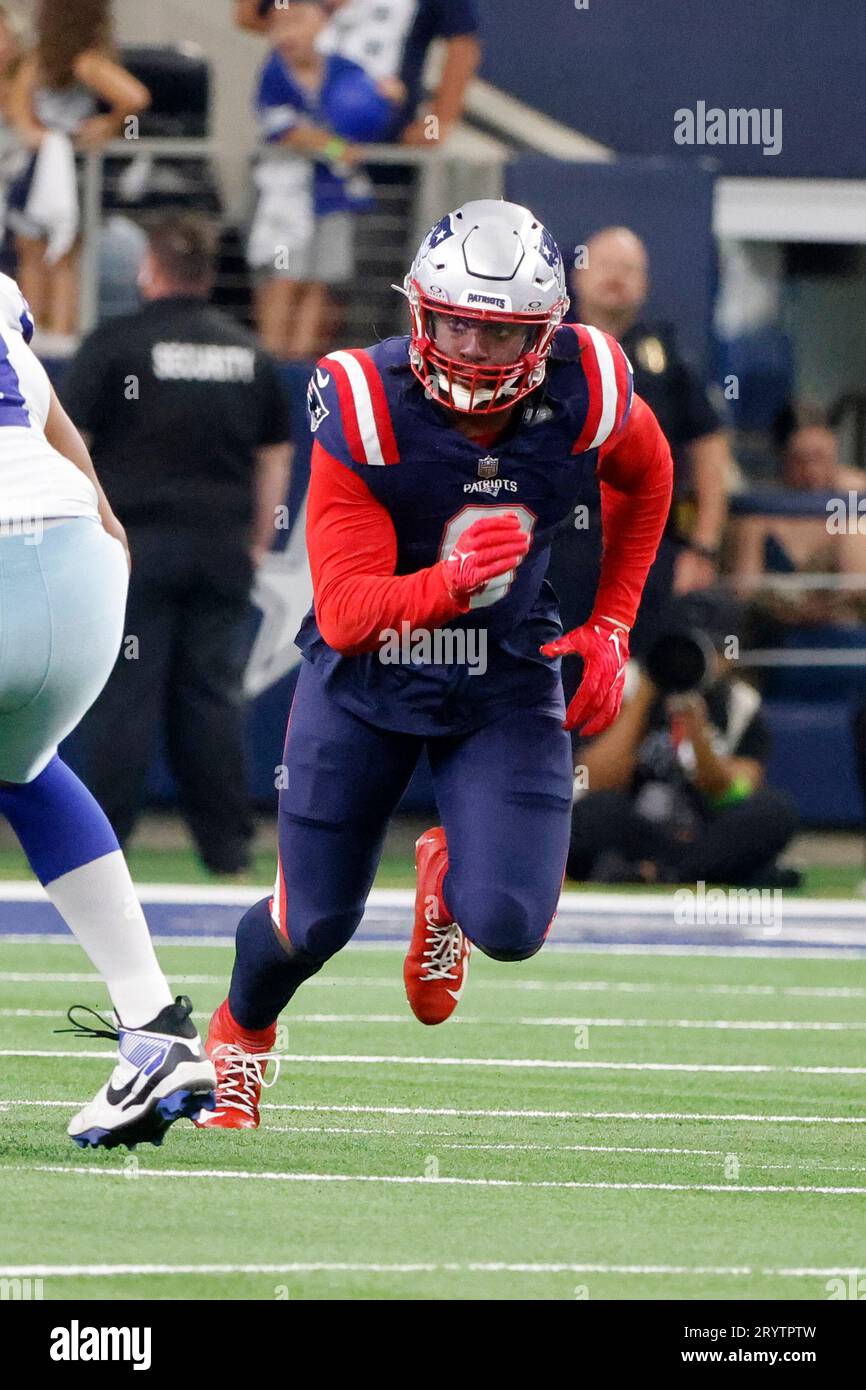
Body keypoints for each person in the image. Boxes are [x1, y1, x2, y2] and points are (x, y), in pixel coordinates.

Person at [192, 199, 673, 1129]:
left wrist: (612, 624)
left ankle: (449, 879)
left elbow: (649, 477)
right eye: (456, 322)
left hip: (503, 679)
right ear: (419, 308)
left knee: (511, 925)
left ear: (545, 335)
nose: (472, 350)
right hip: (366, 683)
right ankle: (240, 1037)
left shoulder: (591, 385)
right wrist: (448, 584)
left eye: (500, 335)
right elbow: (346, 611)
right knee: (313, 923)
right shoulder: (365, 404)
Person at [0, 270, 214, 1149]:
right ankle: (156, 1028)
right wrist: (107, 520)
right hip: (83, 567)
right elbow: (47, 413)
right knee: (25, 769)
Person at [61, 215, 293, 876]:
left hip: (133, 549)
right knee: (212, 700)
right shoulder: (246, 352)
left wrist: (92, 530)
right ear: (207, 276)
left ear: (149, 271)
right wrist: (260, 535)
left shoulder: (115, 345)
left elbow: (71, 442)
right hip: (220, 549)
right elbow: (275, 453)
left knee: (124, 698)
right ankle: (227, 853)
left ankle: (99, 854)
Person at [550, 226, 734, 663]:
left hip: (645, 550)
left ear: (646, 285)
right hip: (556, 546)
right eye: (607, 266)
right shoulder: (545, 351)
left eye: (629, 270)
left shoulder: (670, 361)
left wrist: (703, 547)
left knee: (642, 674)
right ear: (577, 277)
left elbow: (711, 454)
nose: (617, 278)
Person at [567, 592, 800, 887]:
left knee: (775, 812)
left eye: (710, 649)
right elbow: (593, 778)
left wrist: (698, 736)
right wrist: (645, 697)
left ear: (730, 656)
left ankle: (660, 871)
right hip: (637, 826)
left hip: (707, 829)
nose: (689, 660)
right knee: (587, 815)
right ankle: (716, 871)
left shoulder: (741, 705)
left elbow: (734, 792)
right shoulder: (627, 687)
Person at [249, 0, 398, 361]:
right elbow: (283, 129)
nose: (286, 34)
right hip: (287, 199)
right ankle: (273, 362)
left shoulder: (345, 69)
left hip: (334, 195)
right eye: (277, 25)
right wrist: (332, 145)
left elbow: (371, 107)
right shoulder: (273, 75)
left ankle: (303, 365)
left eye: (296, 21)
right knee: (285, 275)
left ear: (322, 23)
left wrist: (389, 96)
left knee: (321, 279)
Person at [6, 0, 150, 348]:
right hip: (51, 167)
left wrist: (106, 126)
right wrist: (92, 129)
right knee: (45, 255)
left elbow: (135, 98)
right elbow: (136, 97)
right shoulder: (57, 60)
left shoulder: (75, 61)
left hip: (57, 169)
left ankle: (48, 342)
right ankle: (41, 341)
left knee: (54, 255)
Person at [236, 0, 481, 146]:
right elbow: (251, 17)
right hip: (301, 144)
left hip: (382, 149)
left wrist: (435, 125)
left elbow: (462, 44)